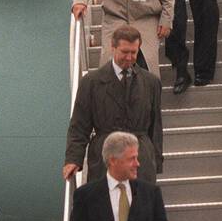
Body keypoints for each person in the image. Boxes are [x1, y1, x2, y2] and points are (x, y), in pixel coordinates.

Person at [64, 26, 164, 184]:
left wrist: (156, 160)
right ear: (113, 47)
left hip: (140, 159)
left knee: (141, 207)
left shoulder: (151, 82)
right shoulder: (91, 82)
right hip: (105, 157)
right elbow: (79, 125)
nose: (129, 57)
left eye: (134, 52)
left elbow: (156, 126)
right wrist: (73, 159)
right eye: (125, 52)